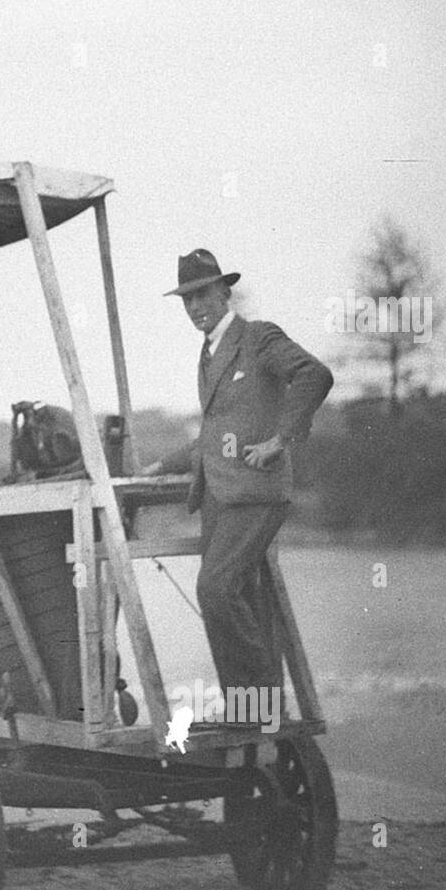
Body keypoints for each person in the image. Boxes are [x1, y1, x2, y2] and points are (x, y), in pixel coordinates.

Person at [142, 248, 333, 708]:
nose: (194, 307)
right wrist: (159, 467)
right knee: (239, 597)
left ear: (225, 292)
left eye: (202, 295)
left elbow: (315, 374)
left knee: (215, 589)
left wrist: (280, 440)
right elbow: (212, 437)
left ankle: (263, 704)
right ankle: (248, 709)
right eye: (186, 300)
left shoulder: (258, 338)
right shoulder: (206, 354)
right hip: (218, 499)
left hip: (254, 493)